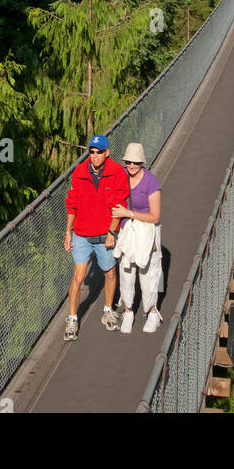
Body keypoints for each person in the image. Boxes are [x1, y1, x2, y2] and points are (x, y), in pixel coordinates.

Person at [63, 134, 129, 342]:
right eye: (91, 152)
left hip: (104, 234)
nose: (94, 156)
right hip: (81, 234)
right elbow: (72, 203)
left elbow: (120, 204)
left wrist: (111, 232)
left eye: (99, 152)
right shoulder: (80, 171)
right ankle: (72, 319)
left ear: (107, 152)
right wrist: (68, 232)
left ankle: (108, 310)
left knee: (110, 273)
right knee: (78, 277)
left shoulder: (117, 172)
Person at [111, 142, 163, 334]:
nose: (132, 166)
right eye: (129, 162)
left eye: (136, 162)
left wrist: (129, 213)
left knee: (147, 272)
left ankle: (152, 312)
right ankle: (128, 311)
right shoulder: (121, 177)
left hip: (147, 232)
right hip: (127, 232)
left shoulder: (150, 182)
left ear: (142, 163)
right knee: (126, 272)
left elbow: (155, 216)